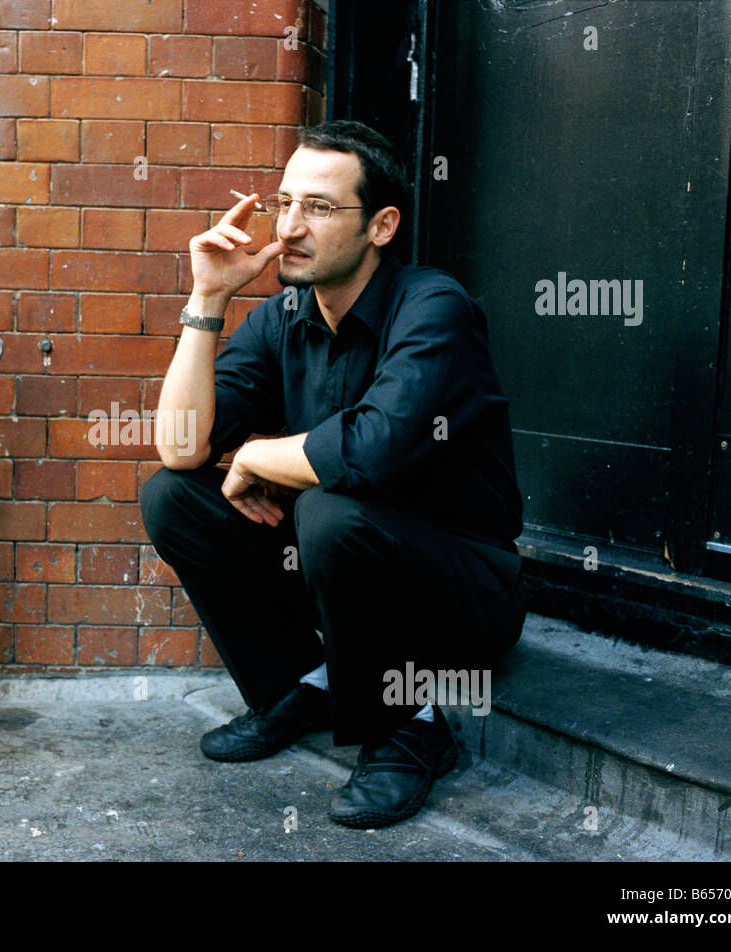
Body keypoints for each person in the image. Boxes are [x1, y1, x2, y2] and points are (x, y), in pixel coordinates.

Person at [139, 119, 527, 829]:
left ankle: (408, 726)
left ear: (381, 226)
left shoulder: (434, 306)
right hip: (343, 573)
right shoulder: (283, 317)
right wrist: (208, 302)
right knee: (172, 499)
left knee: (332, 509)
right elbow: (181, 448)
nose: (288, 228)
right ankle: (306, 685)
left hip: (465, 592)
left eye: (318, 208)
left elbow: (372, 450)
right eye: (284, 203)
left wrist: (258, 456)